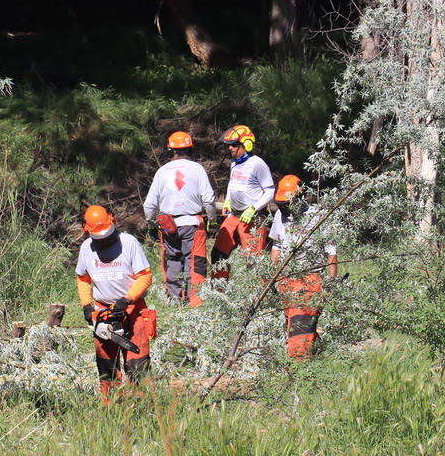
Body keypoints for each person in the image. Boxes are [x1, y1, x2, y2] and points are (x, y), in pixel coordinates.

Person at [76, 205, 156, 402]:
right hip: (103, 311)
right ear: (87, 230)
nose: (104, 239)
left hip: (132, 309)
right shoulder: (86, 248)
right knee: (106, 366)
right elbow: (82, 278)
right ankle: (111, 406)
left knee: (138, 365)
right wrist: (87, 305)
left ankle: (140, 406)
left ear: (113, 220)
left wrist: (125, 300)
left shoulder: (129, 243)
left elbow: (145, 277)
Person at [142, 130, 217, 306]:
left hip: (168, 225)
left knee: (172, 261)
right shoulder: (197, 169)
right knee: (195, 261)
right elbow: (209, 199)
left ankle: (174, 300)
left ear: (170, 150)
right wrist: (212, 221)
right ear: (190, 149)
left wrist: (152, 225)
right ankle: (196, 302)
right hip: (192, 223)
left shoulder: (162, 172)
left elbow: (149, 205)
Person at [268, 175, 338, 360]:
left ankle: (299, 369)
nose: (284, 208)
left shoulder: (317, 216)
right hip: (286, 279)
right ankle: (317, 355)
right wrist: (270, 275)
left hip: (310, 279)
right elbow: (277, 246)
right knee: (293, 323)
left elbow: (331, 251)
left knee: (301, 324)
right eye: (281, 204)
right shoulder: (279, 216)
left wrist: (331, 282)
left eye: (287, 204)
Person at [210, 124, 274, 279]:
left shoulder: (258, 164)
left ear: (247, 144)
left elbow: (270, 190)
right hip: (234, 216)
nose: (230, 149)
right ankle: (218, 292)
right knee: (218, 253)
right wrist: (227, 201)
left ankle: (261, 298)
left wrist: (254, 208)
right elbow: (233, 184)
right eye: (229, 146)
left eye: (234, 145)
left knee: (254, 262)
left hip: (253, 218)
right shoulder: (234, 163)